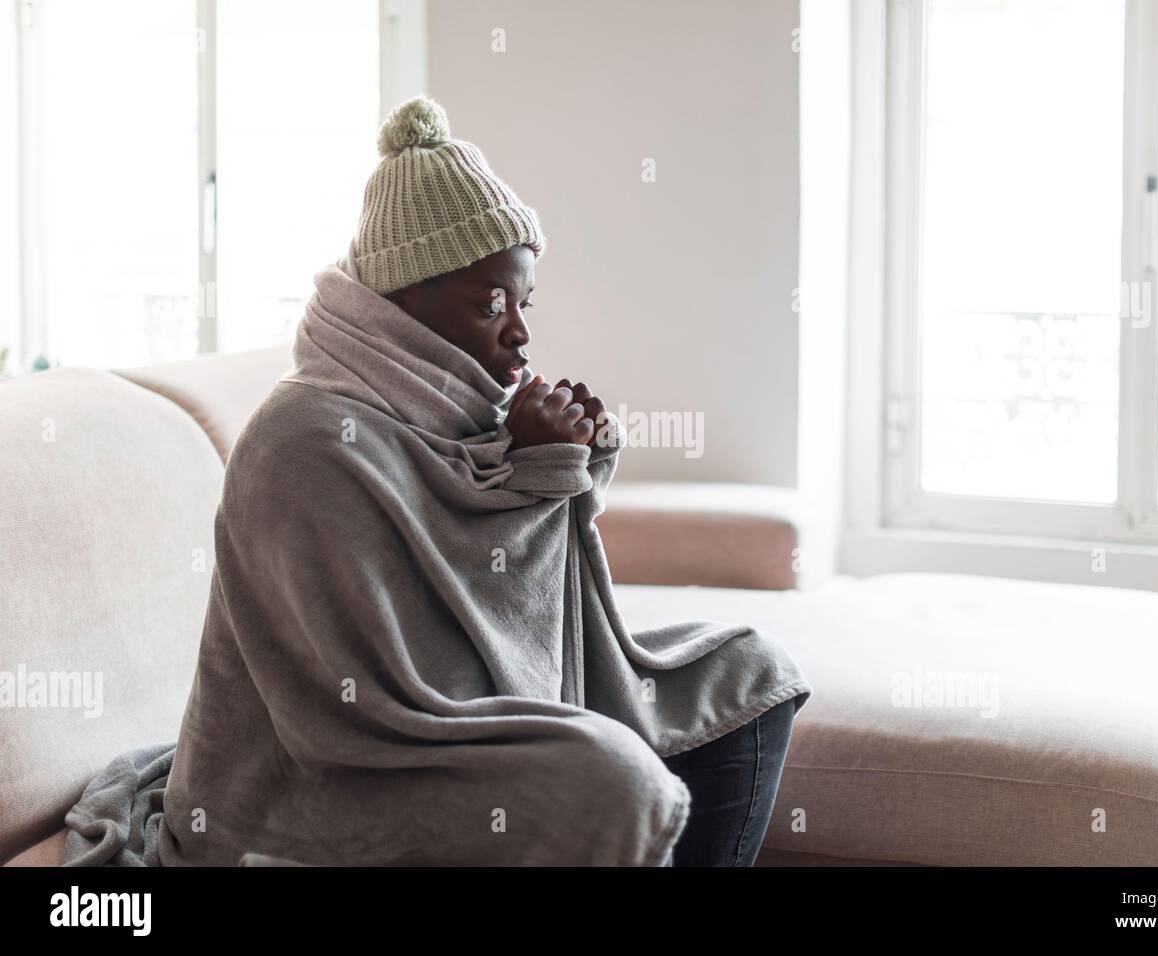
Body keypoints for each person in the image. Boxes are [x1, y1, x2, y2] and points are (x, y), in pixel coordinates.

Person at [63, 94, 811, 869]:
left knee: (749, 670)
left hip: (466, 708)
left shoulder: (455, 409)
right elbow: (378, 694)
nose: (520, 331)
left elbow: (521, 623)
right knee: (607, 780)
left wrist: (560, 467)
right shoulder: (304, 443)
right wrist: (536, 473)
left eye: (524, 302)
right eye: (492, 304)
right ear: (402, 302)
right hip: (333, 769)